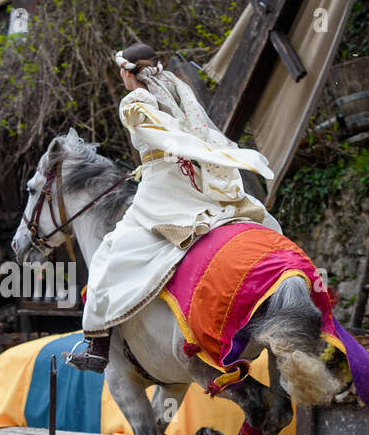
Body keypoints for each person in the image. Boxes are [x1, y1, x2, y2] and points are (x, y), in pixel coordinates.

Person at [68, 42, 283, 372]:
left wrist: (160, 157)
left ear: (128, 72)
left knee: (107, 255)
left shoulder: (134, 102)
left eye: (121, 72)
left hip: (162, 191)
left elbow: (166, 141)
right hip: (197, 183)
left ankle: (97, 344)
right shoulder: (178, 89)